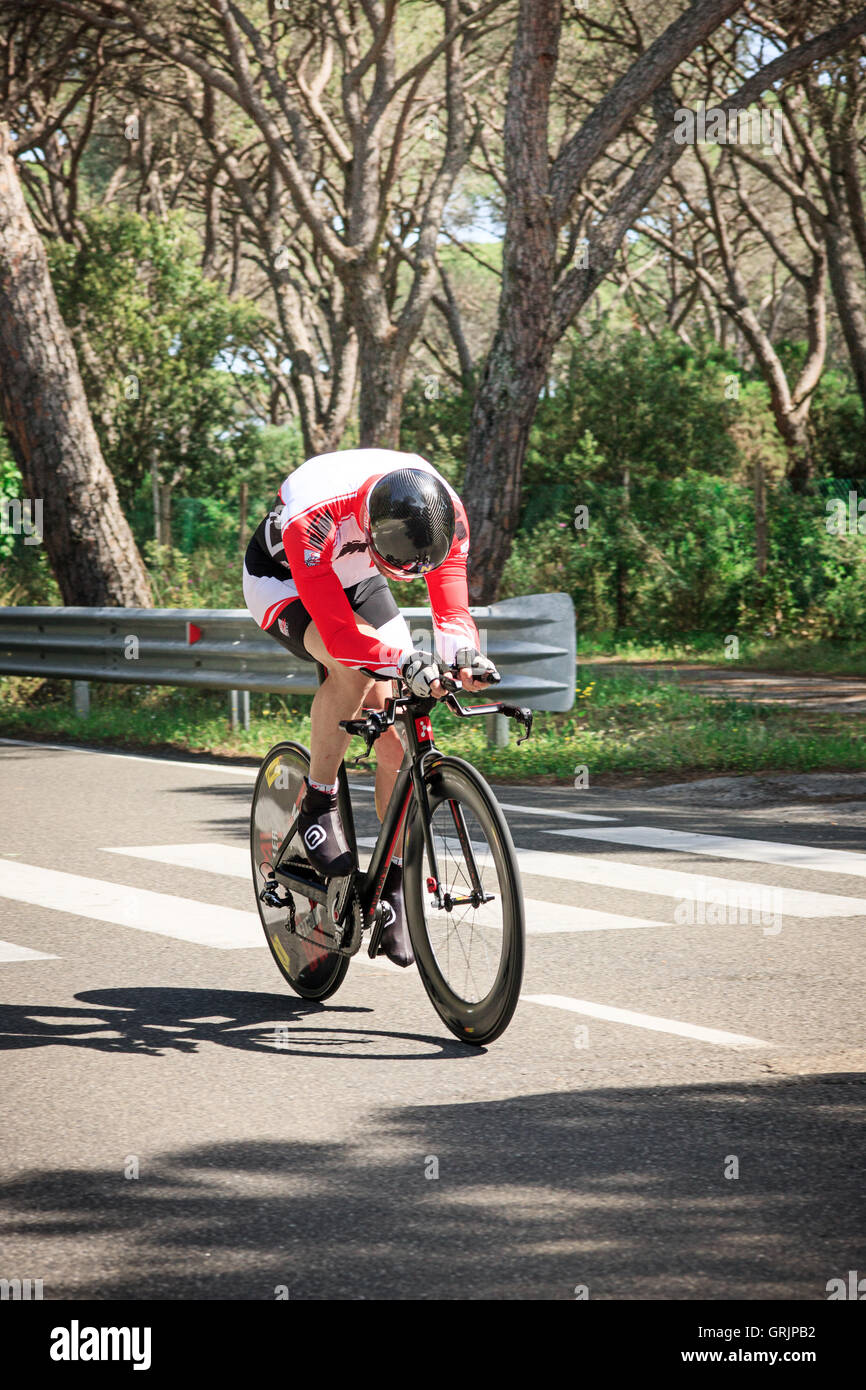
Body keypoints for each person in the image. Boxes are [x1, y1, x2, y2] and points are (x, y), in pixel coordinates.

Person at [243, 448, 498, 966]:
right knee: (354, 669)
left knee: (397, 732)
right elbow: (339, 635)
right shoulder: (314, 515)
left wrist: (464, 656)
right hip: (288, 577)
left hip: (360, 572)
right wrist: (401, 658)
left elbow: (452, 612)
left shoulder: (444, 513)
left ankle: (394, 884)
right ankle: (317, 803)